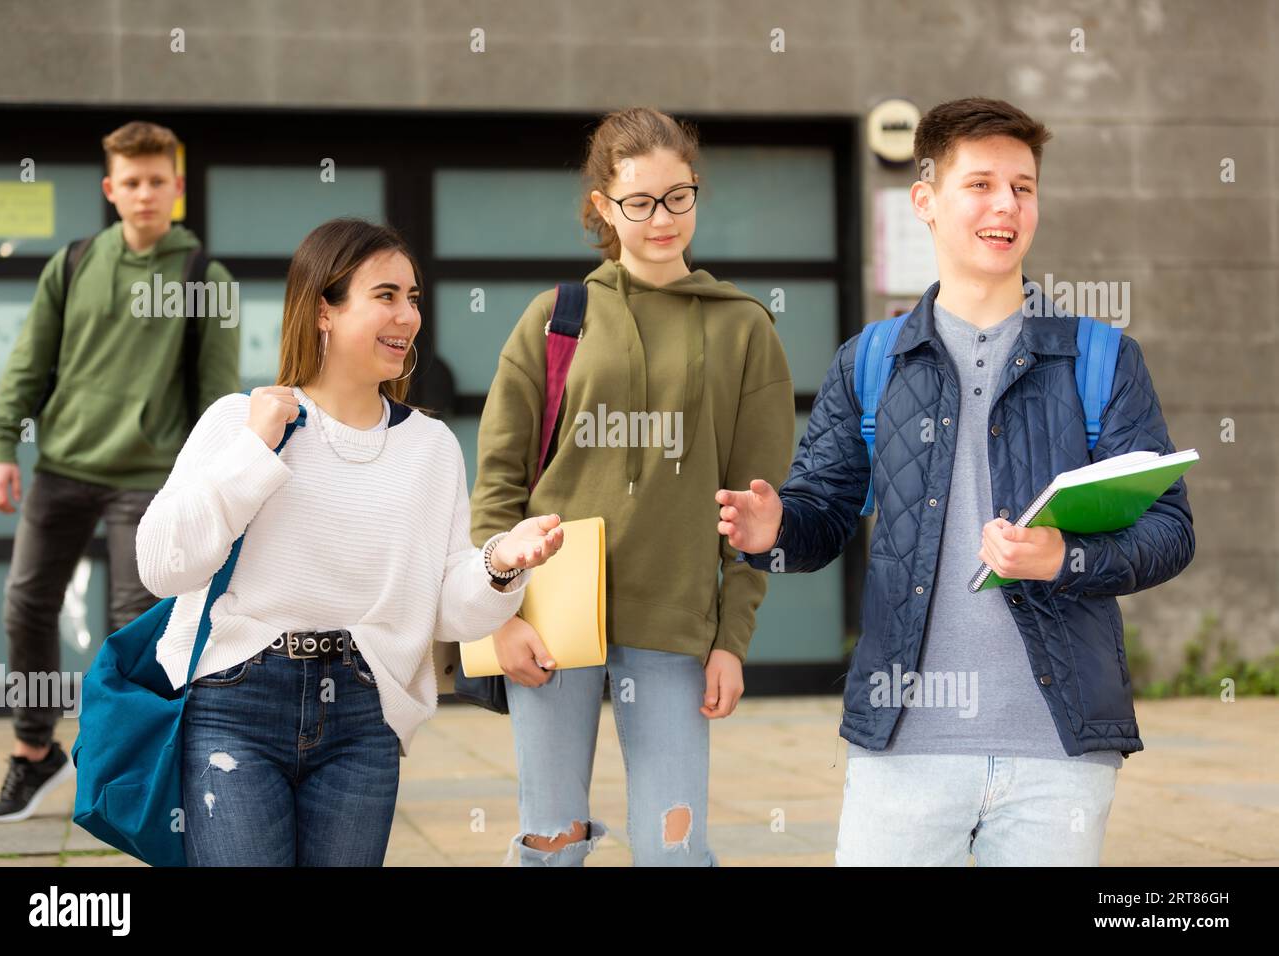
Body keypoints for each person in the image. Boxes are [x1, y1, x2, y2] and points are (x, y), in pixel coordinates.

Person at [718, 97, 1194, 866]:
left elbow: (1169, 532)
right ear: (926, 201)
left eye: (1024, 186)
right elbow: (820, 514)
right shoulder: (870, 362)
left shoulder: (1104, 360)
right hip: (902, 750)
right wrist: (774, 533)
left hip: (1058, 754)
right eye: (981, 184)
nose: (1006, 205)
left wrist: (1063, 558)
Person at [133, 217, 564, 866]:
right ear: (323, 311)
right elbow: (161, 566)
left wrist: (501, 563)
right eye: (385, 295)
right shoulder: (239, 422)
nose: (408, 315)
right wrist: (254, 453)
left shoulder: (430, 446)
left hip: (365, 714)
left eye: (413, 298)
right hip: (235, 703)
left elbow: (447, 608)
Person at [472, 107, 796, 866]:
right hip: (550, 617)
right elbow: (497, 484)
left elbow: (754, 508)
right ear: (601, 207)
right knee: (549, 842)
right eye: (640, 201)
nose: (662, 218)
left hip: (676, 623)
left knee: (675, 851)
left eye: (678, 196)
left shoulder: (744, 328)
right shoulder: (556, 319)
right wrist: (494, 615)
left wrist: (732, 640)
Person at [0, 120, 240, 823]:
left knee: (136, 624)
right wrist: (1, 443)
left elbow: (218, 401)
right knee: (25, 606)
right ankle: (36, 755)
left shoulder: (203, 279)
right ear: (110, 190)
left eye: (158, 181)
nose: (145, 193)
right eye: (132, 182)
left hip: (151, 479)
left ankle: (126, 767)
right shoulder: (71, 265)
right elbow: (29, 363)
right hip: (63, 465)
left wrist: (211, 490)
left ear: (177, 189)